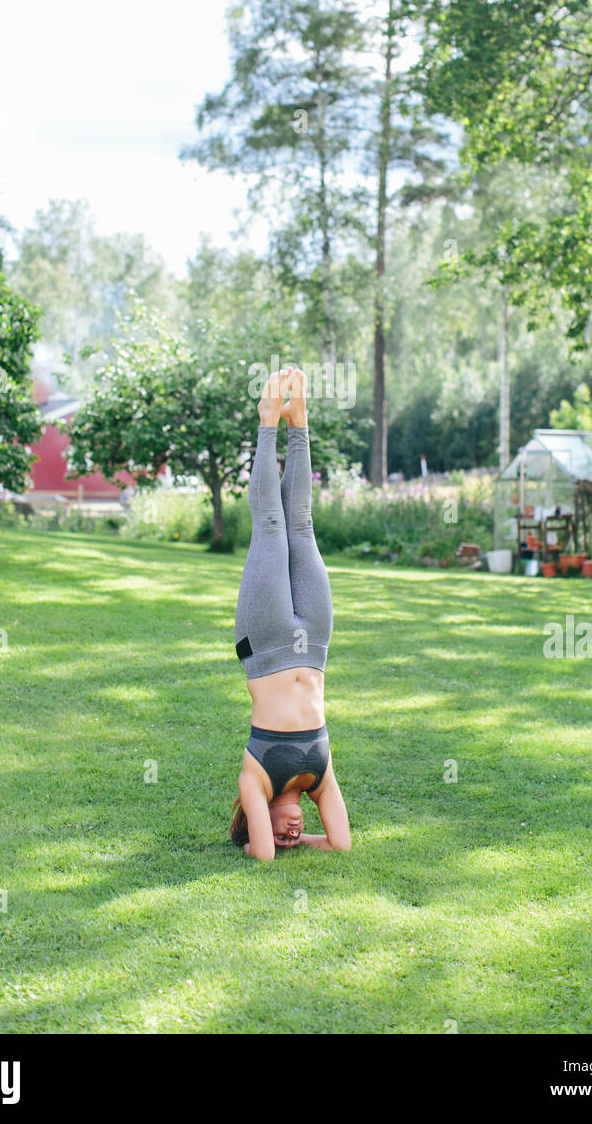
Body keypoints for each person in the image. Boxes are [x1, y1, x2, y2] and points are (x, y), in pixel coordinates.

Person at [229, 365, 351, 860]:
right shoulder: (318, 777)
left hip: (267, 641)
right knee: (301, 525)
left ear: (253, 813)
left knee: (271, 526)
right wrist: (313, 843)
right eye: (289, 840)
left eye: (279, 832)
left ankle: (266, 423)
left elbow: (260, 855)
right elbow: (340, 844)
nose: (289, 836)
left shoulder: (255, 774)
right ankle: (298, 424)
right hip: (314, 643)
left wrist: (263, 842)